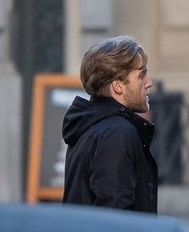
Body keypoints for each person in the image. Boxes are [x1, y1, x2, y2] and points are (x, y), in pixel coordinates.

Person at [62, 35, 158, 213]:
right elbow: (114, 214)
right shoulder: (116, 134)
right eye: (141, 75)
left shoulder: (95, 125)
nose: (149, 82)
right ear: (118, 86)